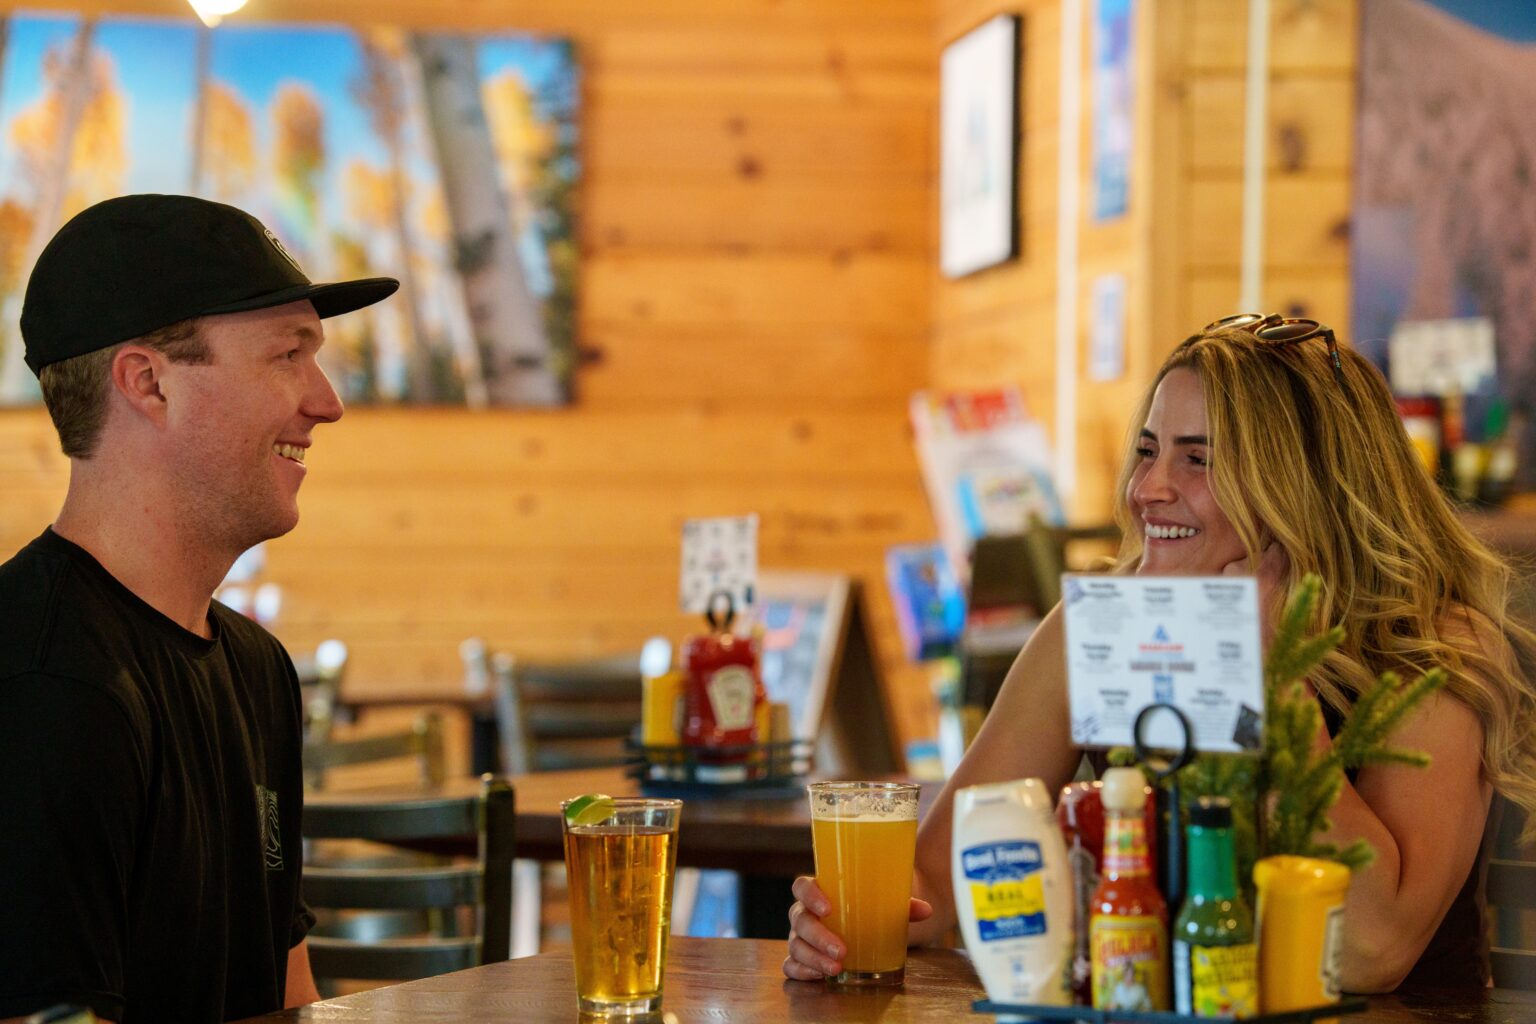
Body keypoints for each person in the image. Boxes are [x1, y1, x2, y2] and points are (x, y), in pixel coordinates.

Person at [786, 313, 1536, 992]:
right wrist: (849, 921)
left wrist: (1261, 679)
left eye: (1197, 459)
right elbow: (936, 878)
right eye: (1148, 452)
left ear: (1302, 487)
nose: (1147, 488)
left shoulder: (1430, 650)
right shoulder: (1101, 631)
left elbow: (1372, 951)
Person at [0, 194, 398, 1022]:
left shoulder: (258, 669)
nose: (327, 401)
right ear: (149, 383)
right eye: (288, 354)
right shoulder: (44, 683)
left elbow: (290, 1002)